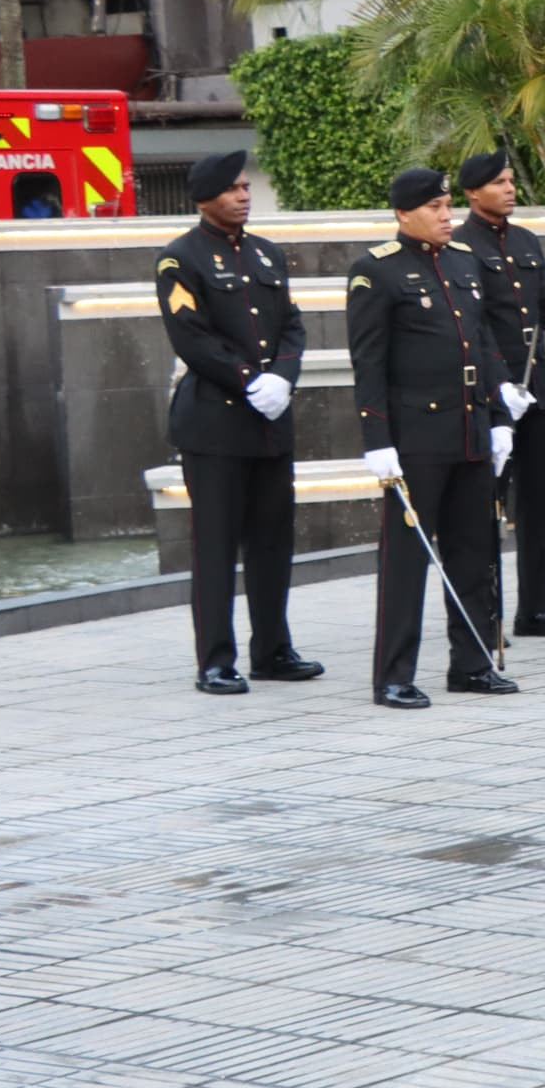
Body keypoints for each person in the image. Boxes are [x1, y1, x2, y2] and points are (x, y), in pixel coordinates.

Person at [350, 167, 518, 707]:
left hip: (468, 429)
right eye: (435, 208)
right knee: (406, 561)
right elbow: (368, 363)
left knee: (474, 553)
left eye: (448, 206)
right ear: (404, 214)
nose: (448, 216)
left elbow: (483, 342)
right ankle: (394, 675)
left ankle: (471, 664)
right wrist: (377, 440)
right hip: (416, 438)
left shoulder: (465, 263)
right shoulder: (376, 272)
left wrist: (498, 416)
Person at [158, 147, 319, 695]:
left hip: (270, 422)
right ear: (206, 198)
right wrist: (251, 377)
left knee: (273, 541)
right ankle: (215, 659)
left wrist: (284, 378)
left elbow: (293, 327)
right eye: (233, 189)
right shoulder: (180, 260)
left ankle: (272, 649)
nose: (244, 196)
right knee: (217, 545)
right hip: (216, 423)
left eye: (247, 188)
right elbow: (191, 336)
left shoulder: (268, 255)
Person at [452, 150, 545, 639]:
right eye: (498, 182)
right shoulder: (459, 248)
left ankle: (535, 609)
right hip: (490, 390)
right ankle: (488, 613)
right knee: (486, 508)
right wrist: (498, 382)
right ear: (473, 193)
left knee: (538, 501)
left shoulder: (525, 240)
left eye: (509, 180)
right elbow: (469, 326)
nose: (509, 188)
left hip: (534, 383)